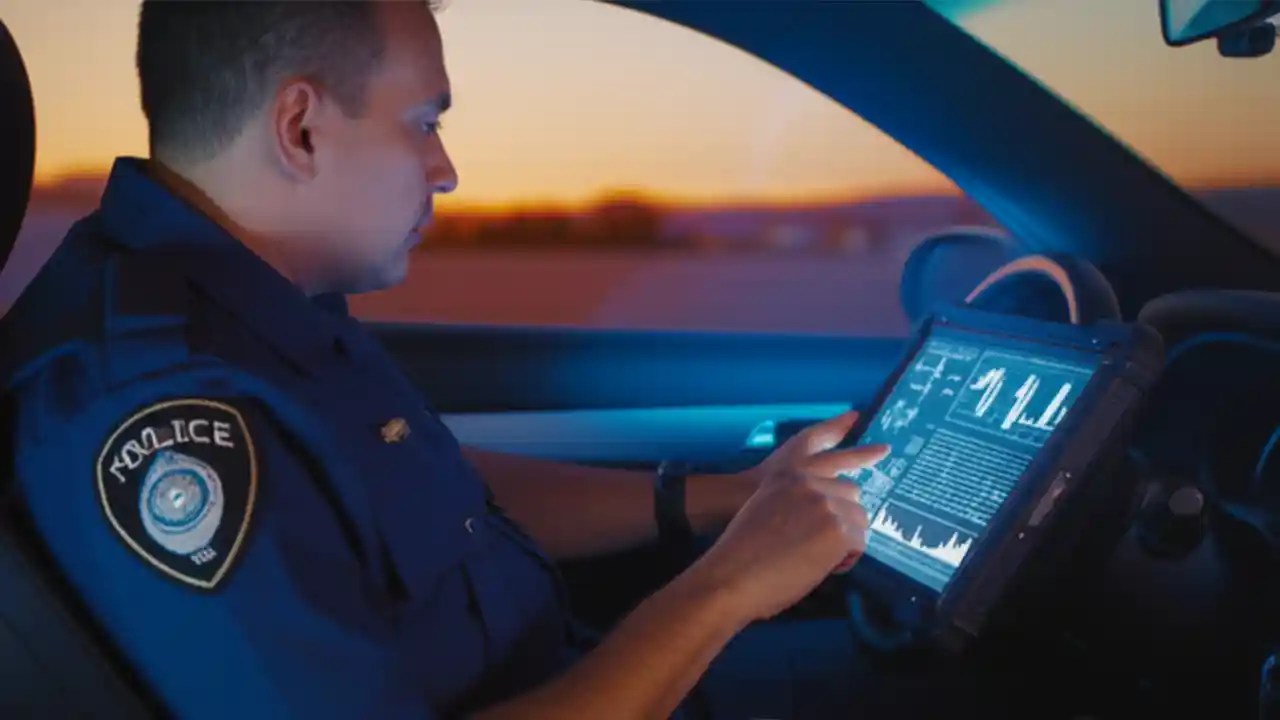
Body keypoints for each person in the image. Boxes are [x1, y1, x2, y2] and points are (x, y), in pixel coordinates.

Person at [0, 2, 897, 718]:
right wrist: (729, 587)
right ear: (301, 129)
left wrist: (731, 497)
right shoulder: (161, 405)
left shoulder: (252, 305)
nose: (446, 168)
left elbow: (432, 498)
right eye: (424, 122)